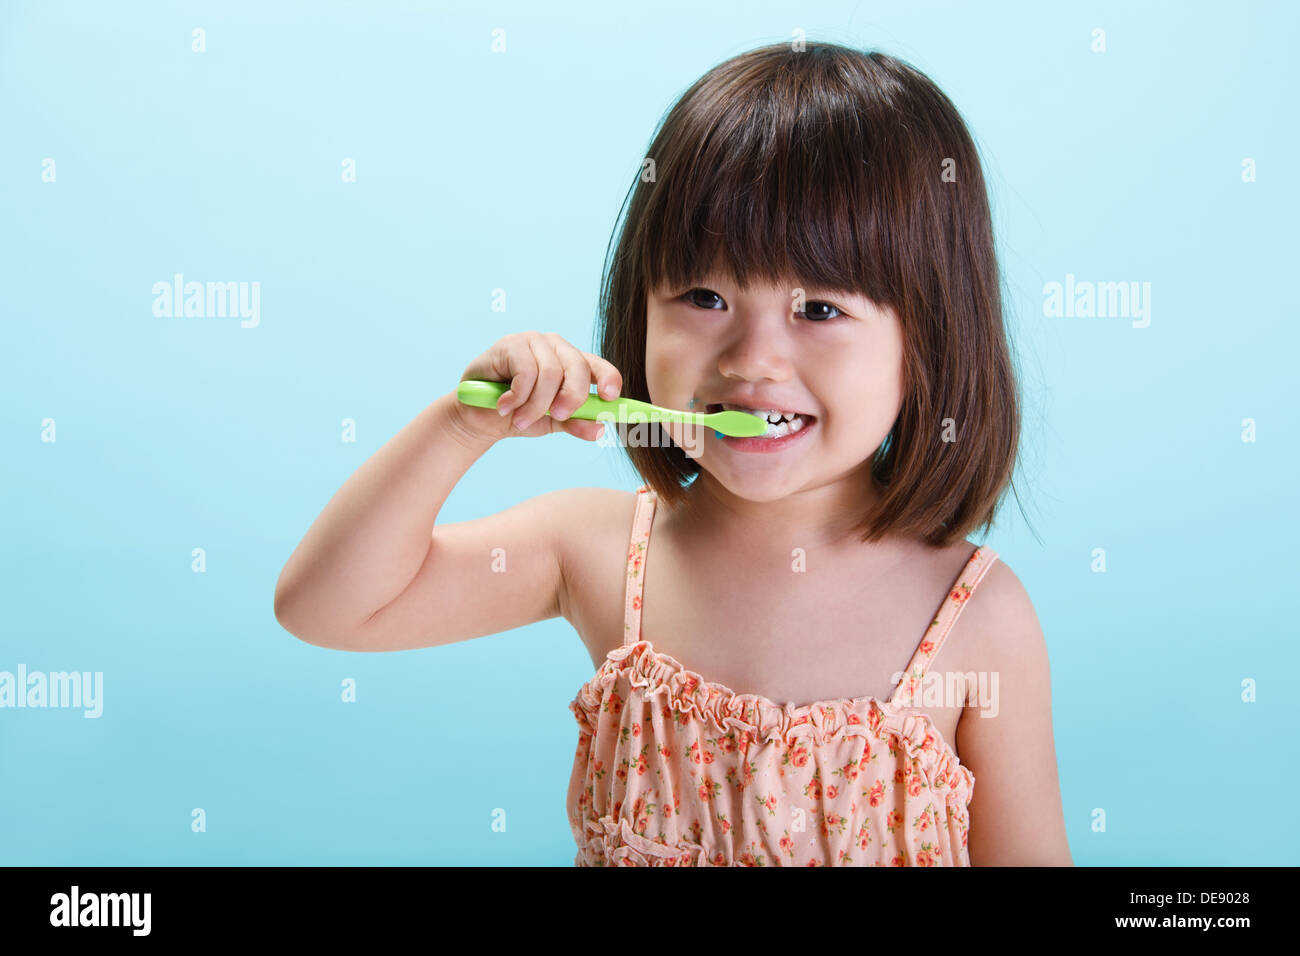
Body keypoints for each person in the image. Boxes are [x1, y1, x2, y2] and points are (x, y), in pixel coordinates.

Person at [274, 41, 1072, 867]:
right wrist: (462, 426)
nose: (752, 360)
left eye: (821, 309)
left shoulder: (976, 619)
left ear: (929, 339)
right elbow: (327, 607)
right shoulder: (595, 552)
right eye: (705, 296)